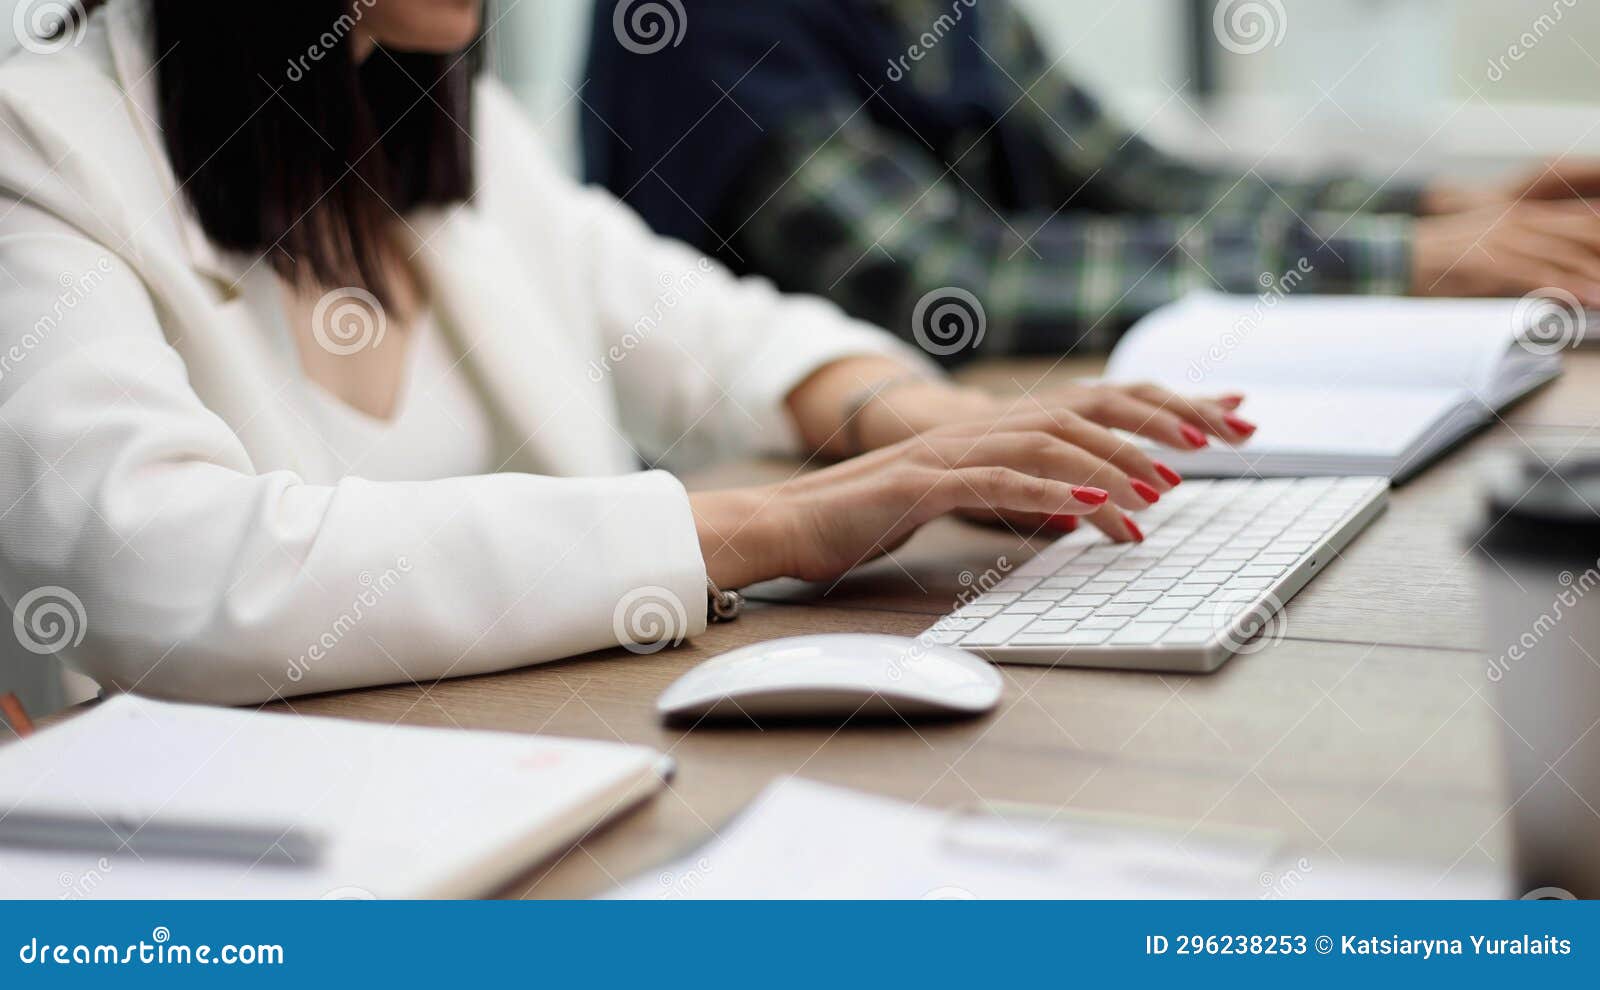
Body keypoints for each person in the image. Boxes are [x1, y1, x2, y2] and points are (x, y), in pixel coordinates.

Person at [0, 0, 1248, 707]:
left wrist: (906, 419)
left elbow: (704, 327)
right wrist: (756, 531)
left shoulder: (426, 112)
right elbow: (156, 577)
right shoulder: (40, 151)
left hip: (544, 768)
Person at [584, 0, 1600, 359]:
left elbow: (1128, 175)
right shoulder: (705, 26)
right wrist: (1389, 262)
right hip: (783, 546)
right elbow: (951, 282)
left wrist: (1443, 210)